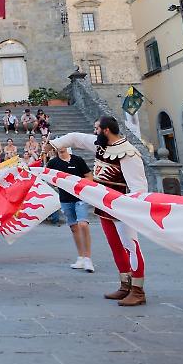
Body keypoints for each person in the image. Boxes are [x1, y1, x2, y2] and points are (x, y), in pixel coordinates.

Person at [50, 116, 148, 306]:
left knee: (131, 246)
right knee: (115, 245)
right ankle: (125, 284)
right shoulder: (101, 145)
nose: (94, 132)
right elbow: (76, 138)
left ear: (106, 131)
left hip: (122, 207)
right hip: (104, 206)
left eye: (97, 129)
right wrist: (54, 144)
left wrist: (134, 210)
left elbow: (138, 187)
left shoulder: (128, 153)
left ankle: (138, 290)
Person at [47, 144, 95, 272]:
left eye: (63, 144)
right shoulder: (53, 163)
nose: (61, 147)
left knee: (83, 224)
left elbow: (89, 176)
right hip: (65, 199)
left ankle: (88, 258)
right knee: (74, 227)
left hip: (80, 197)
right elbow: (49, 179)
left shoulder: (77, 160)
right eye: (58, 145)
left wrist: (81, 185)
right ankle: (80, 257)